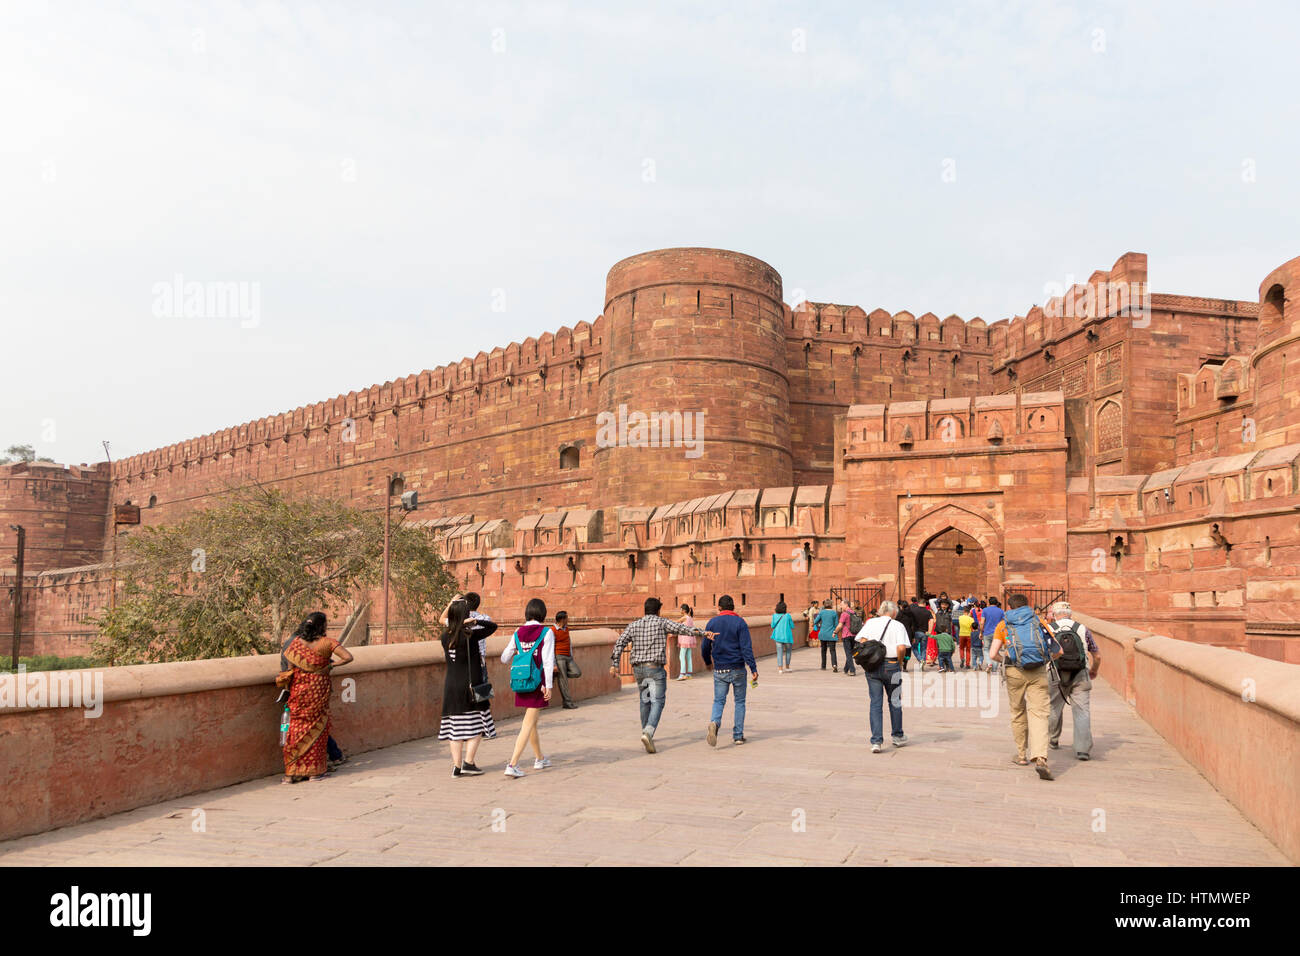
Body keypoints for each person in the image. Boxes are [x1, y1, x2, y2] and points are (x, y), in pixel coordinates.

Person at [610, 597, 708, 753]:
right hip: (655, 669)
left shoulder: (634, 625)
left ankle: (645, 732)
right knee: (658, 701)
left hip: (639, 670)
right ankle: (648, 732)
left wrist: (615, 664)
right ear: (658, 610)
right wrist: (704, 633)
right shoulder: (661, 622)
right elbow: (683, 629)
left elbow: (620, 642)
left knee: (645, 700)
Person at [988, 593, 1061, 781]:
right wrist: (1043, 660)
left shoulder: (1004, 625)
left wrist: (1007, 660)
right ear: (1027, 606)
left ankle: (1021, 755)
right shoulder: (1038, 622)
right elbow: (1058, 650)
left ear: (1010, 607)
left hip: (1014, 671)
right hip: (1037, 672)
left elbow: (992, 653)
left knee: (1018, 711)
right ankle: (1040, 757)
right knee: (1039, 713)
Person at [281, 612, 353, 784]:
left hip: (299, 691)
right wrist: (329, 665)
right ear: (322, 626)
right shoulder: (327, 643)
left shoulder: (295, 645)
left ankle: (290, 774)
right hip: (318, 691)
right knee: (317, 730)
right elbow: (348, 657)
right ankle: (314, 773)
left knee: (295, 730)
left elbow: (289, 670)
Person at [439, 598, 500, 776]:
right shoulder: (470, 635)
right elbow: (492, 627)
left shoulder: (445, 636)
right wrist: (475, 621)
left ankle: (456, 767)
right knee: (478, 726)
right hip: (471, 687)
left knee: (455, 729)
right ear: (467, 616)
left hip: (451, 687)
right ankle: (469, 762)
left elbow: (443, 620)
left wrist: (450, 604)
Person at [499, 598, 556, 778]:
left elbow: (504, 657)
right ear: (542, 613)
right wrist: (549, 686)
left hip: (521, 681)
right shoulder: (546, 632)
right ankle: (512, 764)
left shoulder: (518, 632)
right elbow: (548, 662)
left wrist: (520, 652)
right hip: (537, 683)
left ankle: (539, 758)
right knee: (527, 723)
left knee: (532, 723)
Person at [854, 601, 911, 753]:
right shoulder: (898, 625)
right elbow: (901, 647)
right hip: (892, 665)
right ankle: (897, 736)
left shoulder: (871, 622)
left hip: (873, 666)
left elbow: (862, 641)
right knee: (895, 702)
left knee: (875, 703)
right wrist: (899, 663)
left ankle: (876, 741)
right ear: (894, 612)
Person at [701, 595, 758, 746]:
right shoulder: (740, 622)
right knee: (739, 702)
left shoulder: (712, 622)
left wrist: (707, 662)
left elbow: (705, 646)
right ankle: (738, 736)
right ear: (733, 607)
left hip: (720, 669)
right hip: (738, 668)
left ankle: (715, 722)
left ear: (719, 607)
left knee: (719, 701)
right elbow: (746, 648)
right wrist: (753, 668)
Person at [1046, 602, 1100, 761]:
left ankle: (1053, 739)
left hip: (1056, 673)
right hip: (1080, 673)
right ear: (1070, 614)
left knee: (1053, 707)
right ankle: (1083, 749)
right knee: (1082, 711)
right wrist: (1094, 670)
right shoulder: (1083, 629)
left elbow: (1044, 652)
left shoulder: (1050, 629)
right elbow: (1097, 655)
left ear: (1054, 614)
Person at [552, 610, 578, 709]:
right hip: (559, 657)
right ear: (562, 619)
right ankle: (567, 702)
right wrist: (554, 663)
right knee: (564, 681)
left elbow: (569, 643)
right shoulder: (553, 630)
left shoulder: (566, 629)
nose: (568, 620)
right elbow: (551, 647)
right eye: (567, 618)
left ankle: (561, 676)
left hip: (568, 657)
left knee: (577, 672)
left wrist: (571, 655)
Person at [815, 599, 840, 672]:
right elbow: (836, 624)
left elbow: (815, 621)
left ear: (824, 605)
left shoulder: (822, 612)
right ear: (831, 605)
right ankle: (834, 665)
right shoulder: (834, 613)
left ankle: (823, 666)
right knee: (832, 651)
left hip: (823, 634)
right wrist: (835, 632)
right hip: (831, 634)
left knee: (823, 650)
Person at [981, 597, 1004, 673]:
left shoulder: (985, 610)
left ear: (989, 603)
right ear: (997, 603)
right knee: (996, 651)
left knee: (986, 649)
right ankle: (994, 669)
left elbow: (982, 623)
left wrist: (981, 632)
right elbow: (1003, 623)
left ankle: (989, 663)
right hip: (997, 634)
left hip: (987, 632)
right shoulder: (1001, 611)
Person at [771, 600, 795, 673]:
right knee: (788, 652)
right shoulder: (788, 616)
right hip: (787, 637)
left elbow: (772, 626)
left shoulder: (774, 616)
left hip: (778, 636)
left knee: (779, 653)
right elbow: (792, 626)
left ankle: (780, 669)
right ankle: (787, 667)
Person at [675, 604, 697, 681]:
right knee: (688, 656)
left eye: (680, 609)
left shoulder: (684, 617)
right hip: (690, 639)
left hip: (685, 639)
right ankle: (689, 674)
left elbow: (675, 623)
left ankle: (682, 674)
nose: (680, 611)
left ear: (684, 610)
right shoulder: (690, 618)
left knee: (681, 656)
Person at [909, 597, 932, 671]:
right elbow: (931, 621)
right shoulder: (928, 612)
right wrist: (929, 631)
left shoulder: (913, 611)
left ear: (918, 603)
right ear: (925, 604)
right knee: (924, 648)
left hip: (916, 632)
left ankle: (920, 659)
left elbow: (911, 622)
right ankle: (922, 660)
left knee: (914, 648)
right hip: (924, 632)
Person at [838, 599, 857, 677]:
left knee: (848, 653)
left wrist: (835, 632)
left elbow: (840, 625)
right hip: (854, 635)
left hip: (846, 635)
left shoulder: (844, 614)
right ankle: (846, 669)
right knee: (850, 653)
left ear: (846, 605)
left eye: (841, 604)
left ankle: (852, 670)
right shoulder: (853, 612)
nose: (840, 606)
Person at [957, 605, 975, 669]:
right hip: (969, 635)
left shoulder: (960, 617)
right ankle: (967, 664)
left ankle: (962, 658)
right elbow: (972, 628)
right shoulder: (971, 619)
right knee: (968, 650)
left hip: (961, 634)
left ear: (963, 611)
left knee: (961, 648)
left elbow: (958, 625)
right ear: (969, 611)